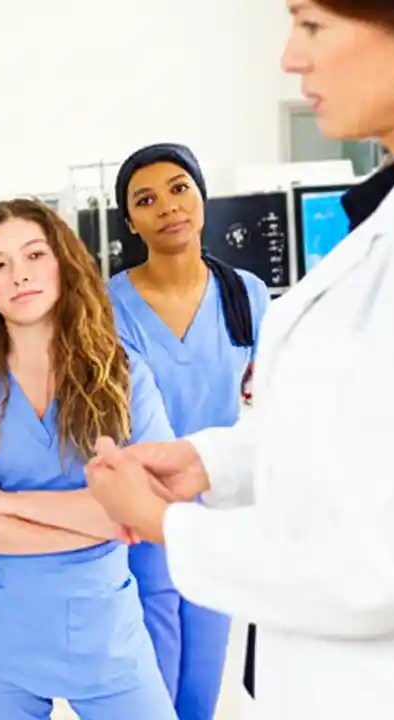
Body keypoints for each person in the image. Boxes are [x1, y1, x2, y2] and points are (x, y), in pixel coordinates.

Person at [83, 1, 394, 718]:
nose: (290, 58)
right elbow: (373, 425)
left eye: (312, 25)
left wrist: (169, 526)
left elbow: (392, 560)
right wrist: (214, 461)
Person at [0, 198, 177, 719]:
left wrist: (1, 502)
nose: (19, 275)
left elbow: (150, 507)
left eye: (34, 255)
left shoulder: (121, 375)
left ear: (63, 262)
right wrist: (99, 522)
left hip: (100, 627)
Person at [107, 142, 270, 718]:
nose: (168, 207)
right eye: (146, 200)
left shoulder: (246, 294)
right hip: (142, 512)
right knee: (149, 689)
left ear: (202, 196)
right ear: (130, 222)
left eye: (179, 189)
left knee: (201, 688)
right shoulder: (107, 304)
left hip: (218, 514)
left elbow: (265, 402)